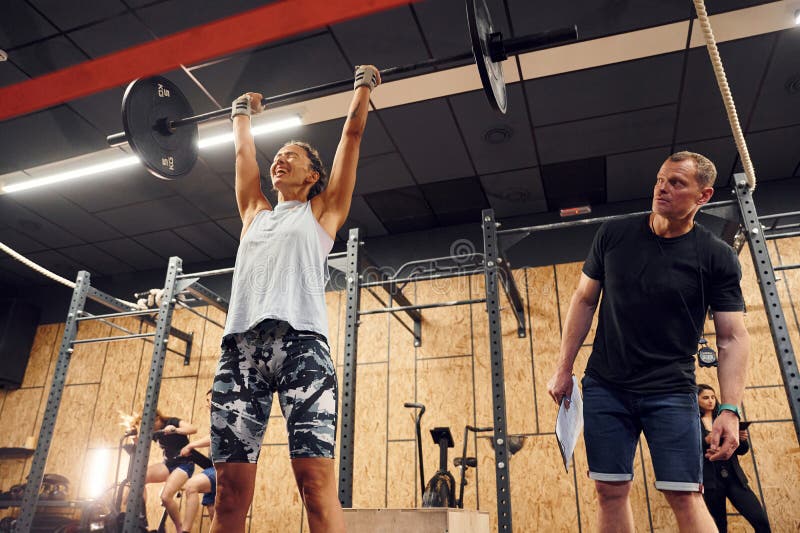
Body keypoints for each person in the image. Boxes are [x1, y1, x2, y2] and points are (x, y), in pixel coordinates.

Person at [210, 65, 381, 533]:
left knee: (314, 483)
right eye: (278, 156)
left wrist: (362, 87)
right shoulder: (254, 213)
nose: (279, 160)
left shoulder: (323, 212)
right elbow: (244, 152)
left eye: (291, 155)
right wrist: (241, 113)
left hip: (302, 349)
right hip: (240, 353)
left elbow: (352, 135)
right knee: (228, 493)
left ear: (314, 175)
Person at [547, 151, 750, 532]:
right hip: (607, 386)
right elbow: (584, 299)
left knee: (685, 495)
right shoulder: (613, 234)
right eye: (660, 179)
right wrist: (563, 369)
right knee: (609, 492)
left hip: (670, 391)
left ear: (703, 196)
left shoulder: (717, 257)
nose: (663, 189)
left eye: (677, 183)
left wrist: (729, 408)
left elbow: (732, 337)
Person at [698, 384, 770, 532]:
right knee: (719, 526)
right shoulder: (692, 422)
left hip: (734, 478)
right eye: (705, 397)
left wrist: (740, 439)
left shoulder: (725, 419)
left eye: (713, 397)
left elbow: (743, 450)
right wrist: (707, 439)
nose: (710, 401)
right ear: (695, 399)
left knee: (760, 519)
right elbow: (689, 448)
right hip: (711, 482)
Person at [122, 410, 198, 532]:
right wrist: (134, 438)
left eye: (151, 424)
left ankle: (180, 528)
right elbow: (139, 444)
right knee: (138, 478)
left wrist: (175, 429)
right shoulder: (153, 432)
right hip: (168, 465)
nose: (149, 428)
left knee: (165, 497)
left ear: (157, 418)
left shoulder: (172, 421)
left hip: (184, 464)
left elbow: (193, 429)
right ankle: (141, 518)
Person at [179, 390, 216, 532]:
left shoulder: (226, 416)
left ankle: (185, 531)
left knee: (191, 486)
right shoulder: (214, 419)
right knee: (212, 510)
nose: (208, 404)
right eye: (207, 400)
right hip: (212, 467)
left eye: (210, 400)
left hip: (224, 470)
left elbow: (214, 438)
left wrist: (191, 445)